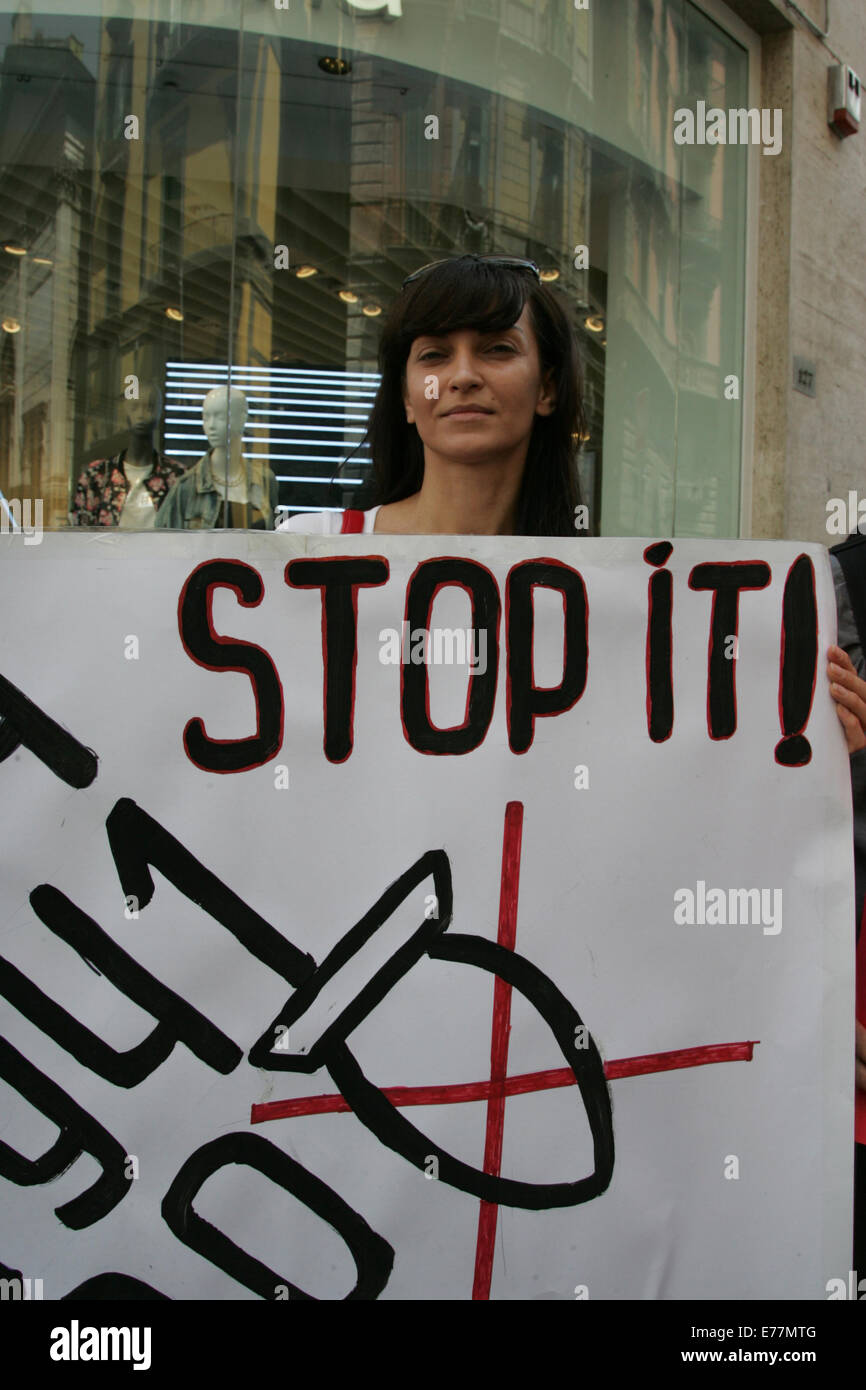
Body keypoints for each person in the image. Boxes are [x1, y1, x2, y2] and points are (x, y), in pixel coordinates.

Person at [276, 254, 587, 538]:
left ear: (546, 388)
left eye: (498, 349)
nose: (463, 376)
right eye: (433, 355)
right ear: (407, 397)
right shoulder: (305, 548)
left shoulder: (596, 572)